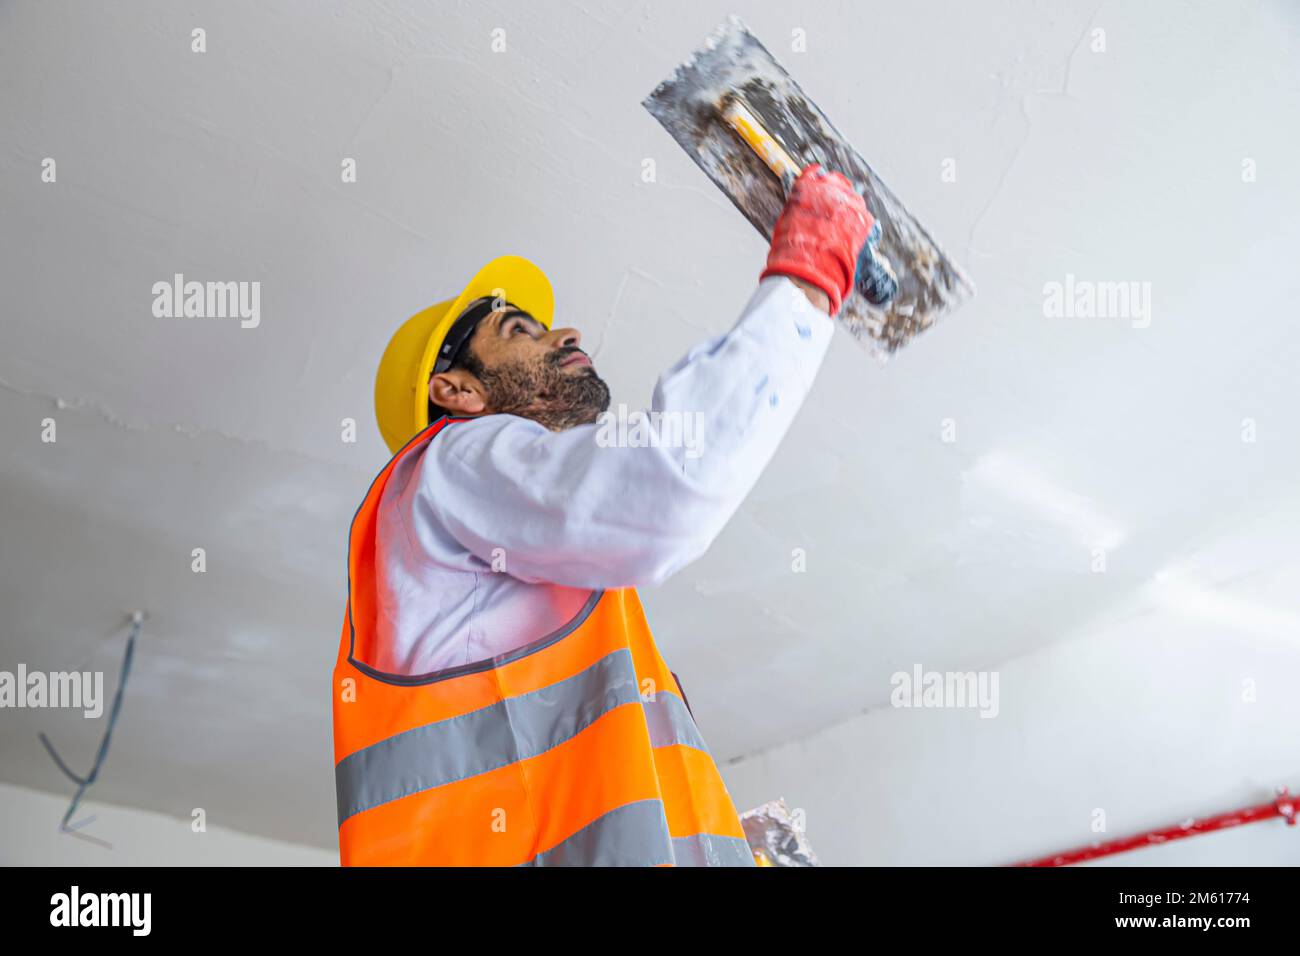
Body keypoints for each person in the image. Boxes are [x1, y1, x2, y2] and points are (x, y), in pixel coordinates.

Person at [332, 165, 874, 866]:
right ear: (456, 390)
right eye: (520, 329)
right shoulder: (453, 461)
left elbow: (585, 794)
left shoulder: (524, 563)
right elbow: (674, 484)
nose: (566, 332)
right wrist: (808, 276)